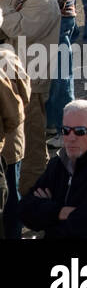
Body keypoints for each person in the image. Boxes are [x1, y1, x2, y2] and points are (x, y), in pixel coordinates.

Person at [20, 100, 87, 240]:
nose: (71, 138)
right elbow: (24, 210)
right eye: (66, 130)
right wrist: (61, 211)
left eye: (80, 131)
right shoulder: (59, 162)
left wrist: (46, 212)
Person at [2, 0, 59, 195]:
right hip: (17, 73)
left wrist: (2, 4)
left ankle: (34, 199)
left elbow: (19, 30)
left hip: (32, 78)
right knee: (18, 137)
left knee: (33, 143)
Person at [0, 44, 27, 240]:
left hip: (7, 148)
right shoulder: (8, 57)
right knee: (11, 200)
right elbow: (18, 110)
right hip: (9, 145)